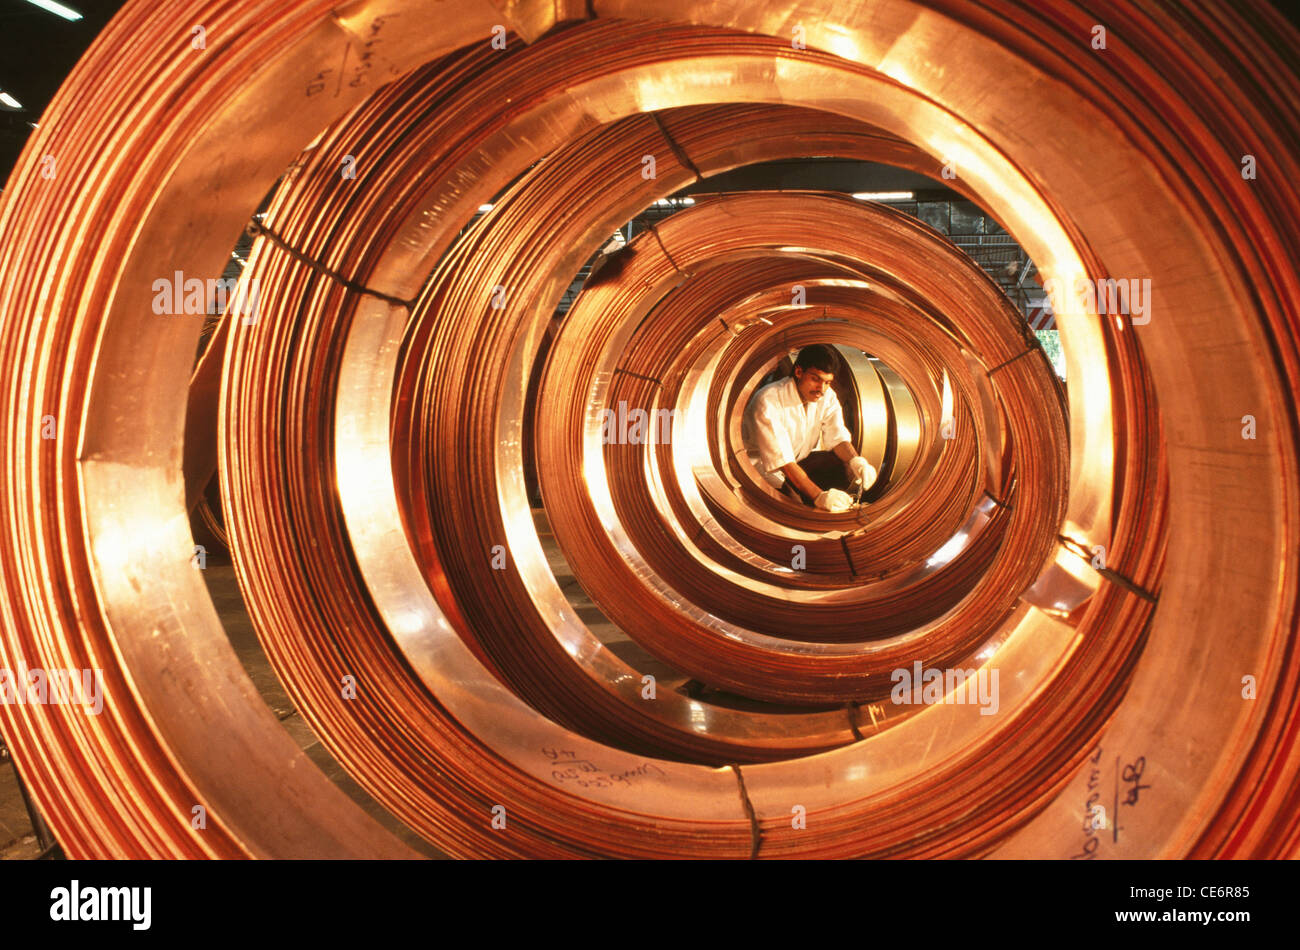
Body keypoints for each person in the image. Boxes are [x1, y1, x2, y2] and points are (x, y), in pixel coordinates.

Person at [741, 344, 877, 511]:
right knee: (793, 508)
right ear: (799, 372)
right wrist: (819, 496)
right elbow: (783, 462)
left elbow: (837, 437)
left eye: (827, 382)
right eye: (815, 379)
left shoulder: (827, 396)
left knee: (845, 468)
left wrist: (857, 461)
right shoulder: (768, 400)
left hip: (796, 462)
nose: (821, 389)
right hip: (761, 469)